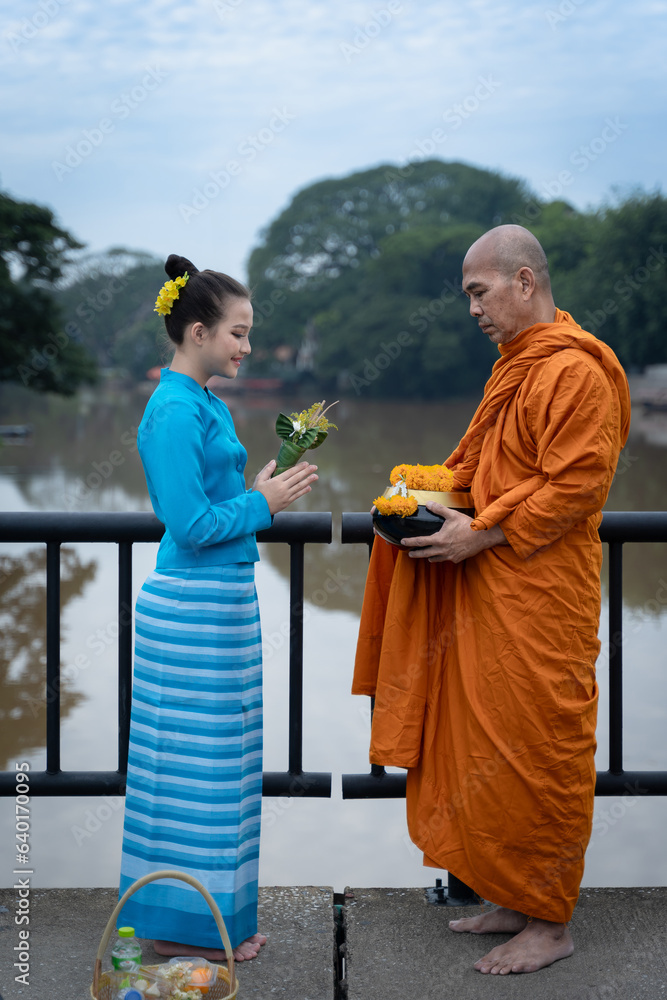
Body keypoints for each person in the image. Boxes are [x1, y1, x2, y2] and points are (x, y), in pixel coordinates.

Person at [352, 225, 631, 975]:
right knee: (488, 751)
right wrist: (419, 496)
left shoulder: (572, 371)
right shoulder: (514, 368)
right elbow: (481, 472)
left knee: (539, 752)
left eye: (479, 292)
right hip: (490, 593)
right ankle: (511, 897)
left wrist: (480, 534)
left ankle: (550, 922)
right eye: (467, 296)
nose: (472, 309)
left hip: (541, 598)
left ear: (523, 281)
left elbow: (578, 485)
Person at [118, 254, 318, 962]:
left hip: (221, 602)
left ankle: (213, 925)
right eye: (238, 333)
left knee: (223, 768)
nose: (247, 347)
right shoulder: (174, 408)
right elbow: (189, 523)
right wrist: (262, 504)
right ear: (197, 332)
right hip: (191, 609)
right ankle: (176, 929)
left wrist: (254, 490)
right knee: (189, 773)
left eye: (249, 334)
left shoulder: (205, 402)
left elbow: (213, 502)